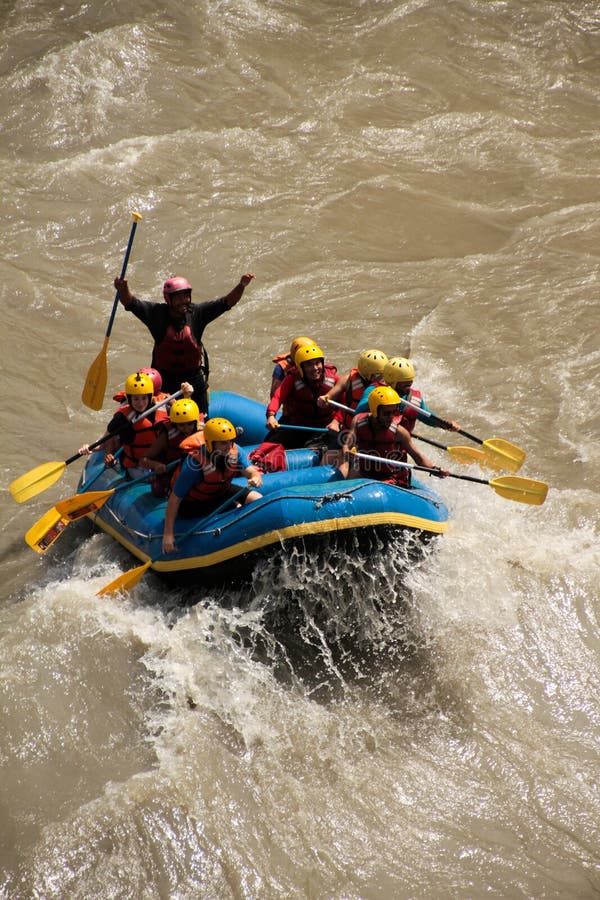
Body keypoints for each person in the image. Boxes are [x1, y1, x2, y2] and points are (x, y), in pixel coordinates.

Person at [114, 271, 255, 414]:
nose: (184, 301)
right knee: (163, 421)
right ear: (168, 299)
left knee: (200, 419)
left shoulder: (197, 313)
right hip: (164, 380)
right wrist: (123, 288)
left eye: (186, 296)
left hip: (193, 379)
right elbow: (130, 302)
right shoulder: (156, 314)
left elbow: (226, 303)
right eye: (179, 298)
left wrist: (241, 285)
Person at [162, 417, 263, 554]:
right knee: (236, 508)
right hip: (193, 503)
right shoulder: (194, 464)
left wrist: (255, 477)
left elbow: (250, 471)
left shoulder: (235, 451)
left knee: (257, 498)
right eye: (222, 443)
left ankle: (259, 538)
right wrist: (168, 535)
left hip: (220, 491)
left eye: (230, 441)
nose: (228, 446)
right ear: (210, 444)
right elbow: (175, 499)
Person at [341, 385, 448, 484]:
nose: (391, 417)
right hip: (366, 474)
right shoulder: (358, 421)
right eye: (386, 413)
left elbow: (418, 458)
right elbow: (348, 443)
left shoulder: (399, 432)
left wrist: (435, 469)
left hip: (391, 479)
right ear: (375, 411)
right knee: (349, 477)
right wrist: (346, 449)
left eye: (394, 412)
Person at [79, 372, 170, 479]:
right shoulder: (121, 418)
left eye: (144, 398)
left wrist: (187, 396)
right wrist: (88, 448)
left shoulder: (161, 408)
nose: (140, 403)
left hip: (159, 460)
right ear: (129, 399)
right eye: (136, 399)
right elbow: (103, 442)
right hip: (137, 466)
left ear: (150, 397)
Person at [265, 343, 339, 450]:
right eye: (309, 364)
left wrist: (336, 422)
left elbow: (345, 403)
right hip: (298, 426)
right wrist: (271, 415)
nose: (315, 368)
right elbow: (277, 397)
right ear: (300, 367)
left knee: (312, 447)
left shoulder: (334, 380)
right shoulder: (292, 379)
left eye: (317, 363)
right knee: (270, 443)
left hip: (324, 429)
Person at [139, 397, 203, 497]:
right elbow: (143, 460)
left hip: (193, 471)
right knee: (157, 488)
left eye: (189, 424)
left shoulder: (203, 431)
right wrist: (156, 465)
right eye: (181, 425)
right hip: (172, 472)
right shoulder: (167, 436)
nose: (186, 429)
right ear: (174, 424)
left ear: (196, 422)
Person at [381, 357, 460, 433]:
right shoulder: (376, 393)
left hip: (400, 441)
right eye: (405, 385)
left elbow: (427, 417)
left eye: (410, 383)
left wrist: (445, 424)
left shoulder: (413, 399)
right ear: (392, 382)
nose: (408, 387)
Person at [317, 348, 388, 432]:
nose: (384, 378)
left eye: (385, 373)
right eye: (380, 375)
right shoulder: (347, 380)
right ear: (370, 375)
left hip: (373, 430)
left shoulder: (388, 385)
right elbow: (329, 396)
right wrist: (323, 399)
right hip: (348, 428)